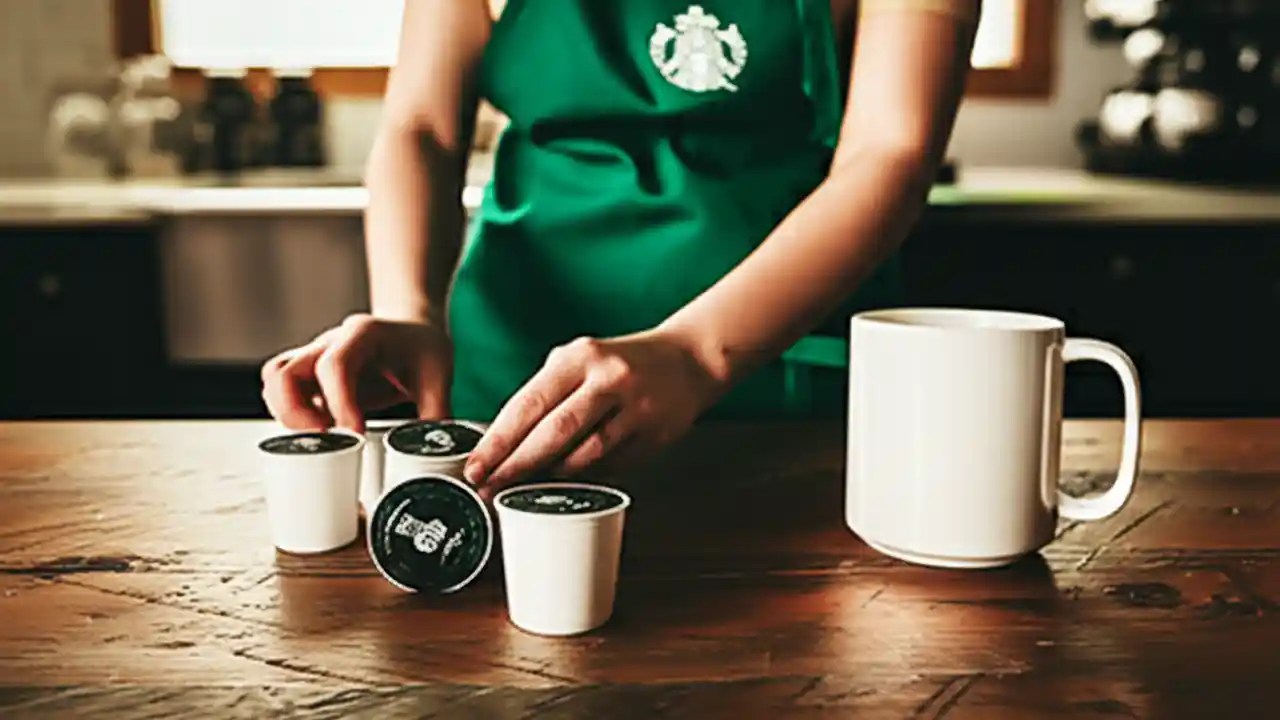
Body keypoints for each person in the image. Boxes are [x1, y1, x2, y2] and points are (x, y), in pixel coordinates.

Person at [261, 0, 980, 495]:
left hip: (779, 388)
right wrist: (409, 308)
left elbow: (891, 151)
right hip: (519, 393)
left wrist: (696, 353)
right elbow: (423, 125)